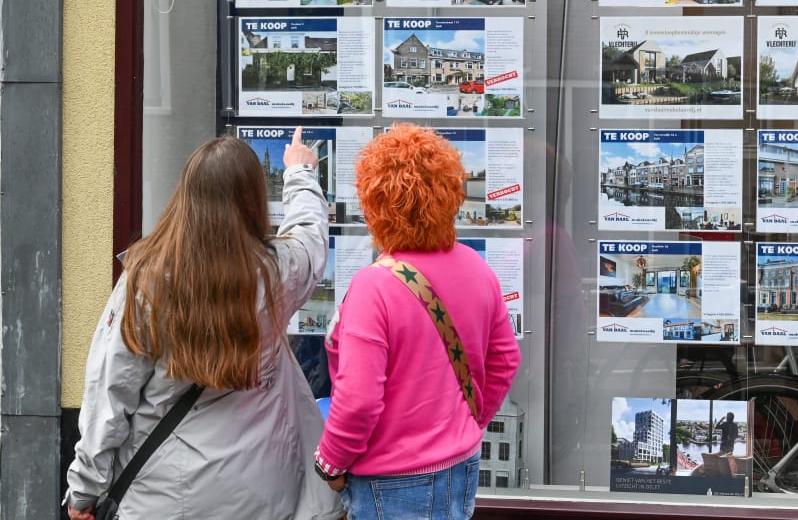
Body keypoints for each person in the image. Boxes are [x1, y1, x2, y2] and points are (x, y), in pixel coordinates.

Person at [64, 128, 343, 519]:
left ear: (185, 198)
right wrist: (299, 174)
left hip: (163, 498)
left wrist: (84, 489)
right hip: (262, 493)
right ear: (253, 201)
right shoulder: (278, 273)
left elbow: (109, 392)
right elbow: (310, 236)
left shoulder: (146, 280)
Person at [314, 122, 521, 519]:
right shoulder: (477, 268)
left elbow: (358, 401)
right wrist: (466, 423)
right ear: (450, 194)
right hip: (462, 463)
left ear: (374, 204)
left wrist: (330, 464)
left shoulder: (374, 286)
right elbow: (506, 360)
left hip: (392, 479)